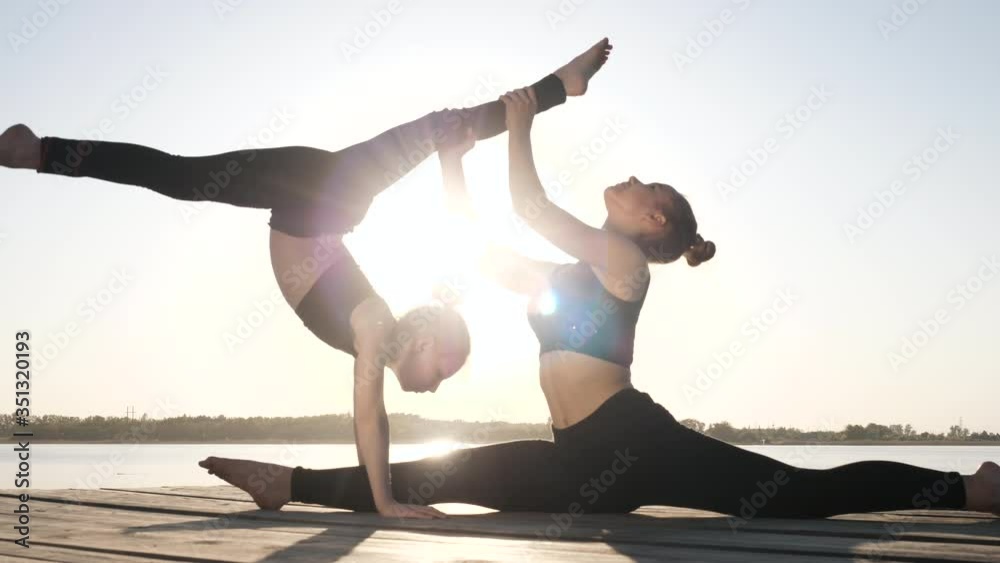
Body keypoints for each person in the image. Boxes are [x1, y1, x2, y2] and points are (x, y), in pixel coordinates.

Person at [201, 58, 999, 520]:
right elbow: (480, 246)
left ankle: (969, 486)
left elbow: (530, 207)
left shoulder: (627, 268)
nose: (626, 179)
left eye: (640, 184)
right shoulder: (563, 278)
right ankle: (287, 483)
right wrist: (451, 161)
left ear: (652, 217)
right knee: (437, 475)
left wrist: (522, 121)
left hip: (637, 441)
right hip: (579, 459)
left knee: (799, 495)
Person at [0, 39, 621, 519]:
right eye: (444, 370)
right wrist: (384, 501)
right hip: (322, 199)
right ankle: (554, 88)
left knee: (184, 177)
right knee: (436, 129)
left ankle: (41, 152)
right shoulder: (375, 325)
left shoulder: (376, 325)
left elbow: (450, 263)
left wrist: (450, 162)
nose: (434, 389)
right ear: (425, 342)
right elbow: (370, 416)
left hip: (310, 198)